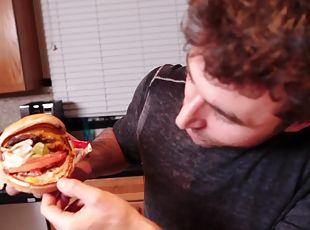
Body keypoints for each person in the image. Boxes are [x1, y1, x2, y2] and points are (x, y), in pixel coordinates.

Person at [7, 0, 310, 229]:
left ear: (298, 121)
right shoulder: (161, 85)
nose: (182, 118)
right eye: (193, 79)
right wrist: (80, 164)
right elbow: (124, 141)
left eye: (225, 115)